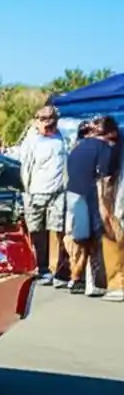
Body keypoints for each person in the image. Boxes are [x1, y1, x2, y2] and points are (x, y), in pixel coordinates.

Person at [63, 115, 115, 296]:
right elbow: (105, 179)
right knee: (94, 240)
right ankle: (91, 282)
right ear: (111, 133)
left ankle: (76, 278)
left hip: (72, 194)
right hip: (89, 196)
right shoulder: (105, 148)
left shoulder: (77, 148)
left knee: (79, 238)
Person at [19, 105, 71, 287]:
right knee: (36, 232)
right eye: (43, 119)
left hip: (58, 193)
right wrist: (27, 192)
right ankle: (41, 268)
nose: (48, 123)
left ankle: (59, 271)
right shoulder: (31, 140)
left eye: (51, 119)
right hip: (35, 193)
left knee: (58, 232)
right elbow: (25, 167)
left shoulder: (62, 138)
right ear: (37, 121)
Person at [91, 116, 123, 301]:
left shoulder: (110, 149)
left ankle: (118, 284)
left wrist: (106, 208)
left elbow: (108, 180)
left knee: (113, 238)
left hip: (117, 199)